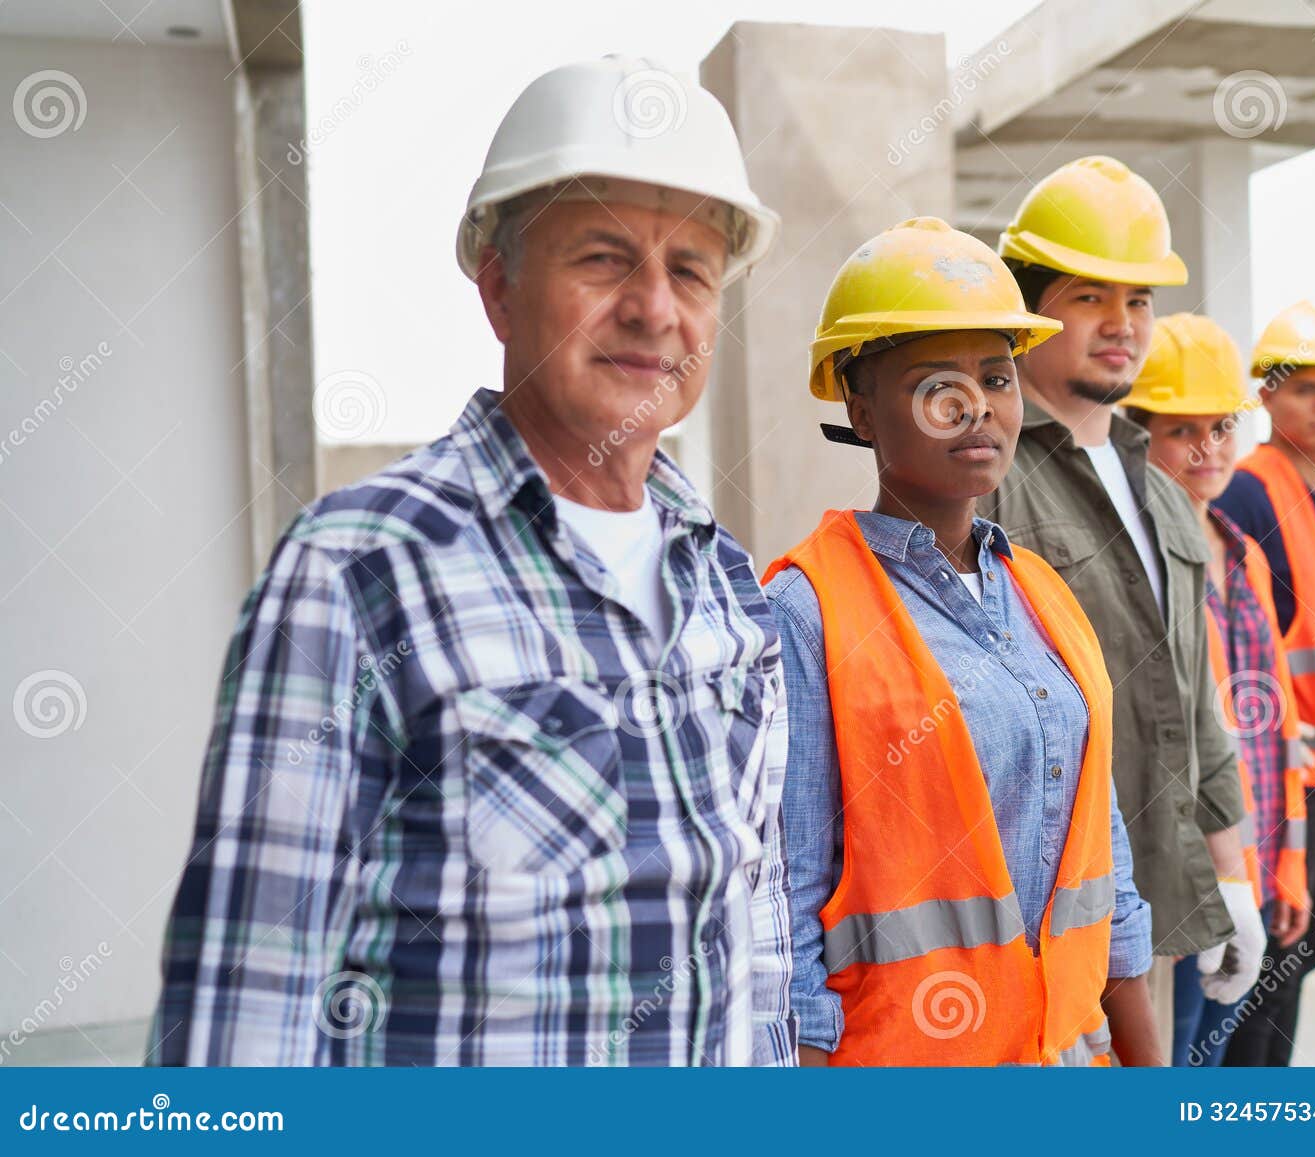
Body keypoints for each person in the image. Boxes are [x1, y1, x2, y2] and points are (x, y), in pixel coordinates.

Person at [149, 57, 796, 1066]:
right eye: (603, 257)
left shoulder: (728, 591)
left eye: (691, 271)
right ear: (499, 288)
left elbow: (752, 952)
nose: (653, 308)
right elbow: (245, 999)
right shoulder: (358, 573)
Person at [766, 217, 1158, 1066]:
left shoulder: (1044, 597)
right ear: (862, 412)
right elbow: (785, 900)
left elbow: (1108, 864)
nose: (977, 406)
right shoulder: (808, 610)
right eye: (937, 383)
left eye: (997, 375)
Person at [981, 157, 1265, 1057]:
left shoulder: (1169, 496)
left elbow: (1199, 706)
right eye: (1089, 297)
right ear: (1030, 310)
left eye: (1138, 300)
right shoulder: (985, 481)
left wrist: (1233, 878)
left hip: (1168, 918)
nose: (1123, 324)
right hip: (1049, 935)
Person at [1119, 313, 1312, 1065]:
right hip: (1178, 881)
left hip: (1248, 862)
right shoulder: (1137, 565)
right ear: (1137, 438)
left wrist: (1280, 865)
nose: (1209, 447)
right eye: (1181, 430)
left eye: (1222, 426)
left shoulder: (1242, 555)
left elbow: (1276, 730)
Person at [1212, 301, 1315, 1066]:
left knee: (1291, 973)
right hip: (1287, 788)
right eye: (1307, 388)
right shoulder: (1251, 494)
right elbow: (1248, 665)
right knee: (1263, 990)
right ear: (1267, 395)